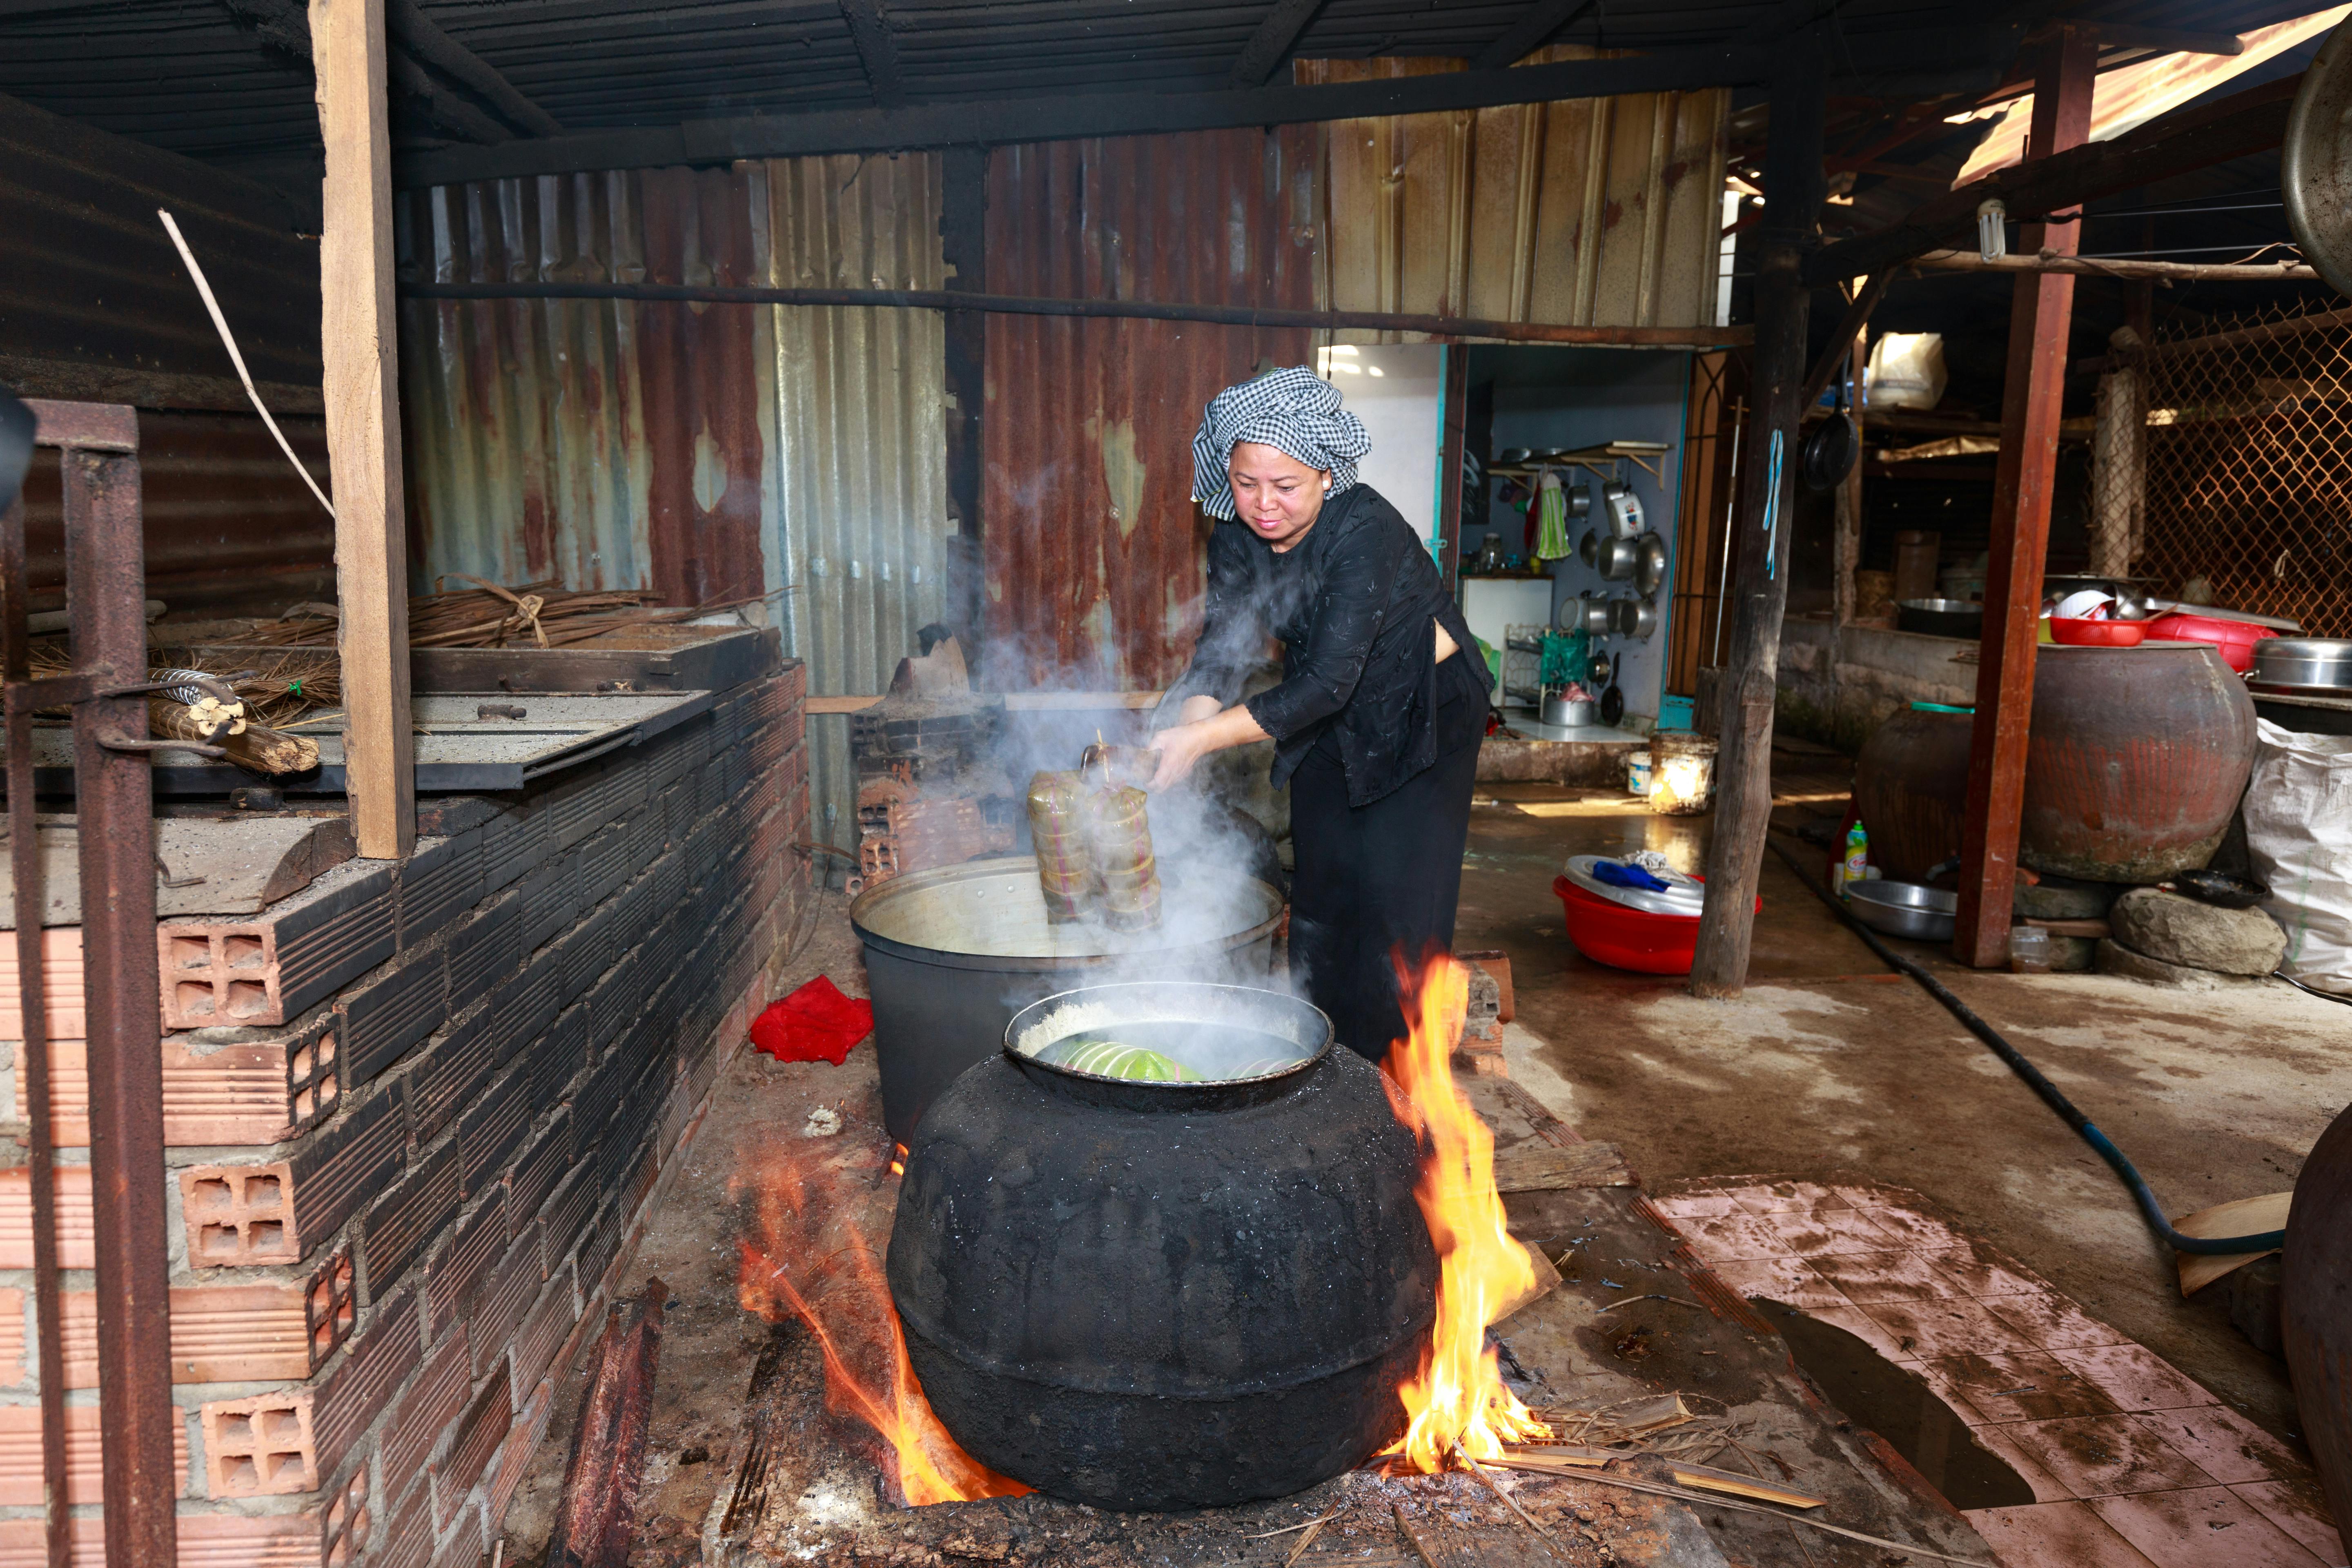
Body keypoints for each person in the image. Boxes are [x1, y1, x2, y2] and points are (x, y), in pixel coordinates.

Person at [1149, 366, 1488, 1061]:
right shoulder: (1239, 538)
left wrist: (1204, 740)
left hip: (1423, 709)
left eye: (1286, 486)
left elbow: (1331, 680)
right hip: (1328, 709)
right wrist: (1183, 733)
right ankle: (1326, 1069)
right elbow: (1221, 648)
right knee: (1325, 904)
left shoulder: (1366, 529)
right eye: (1247, 484)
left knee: (1398, 914)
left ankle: (1398, 1093)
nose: (1263, 505)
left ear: (1327, 475)